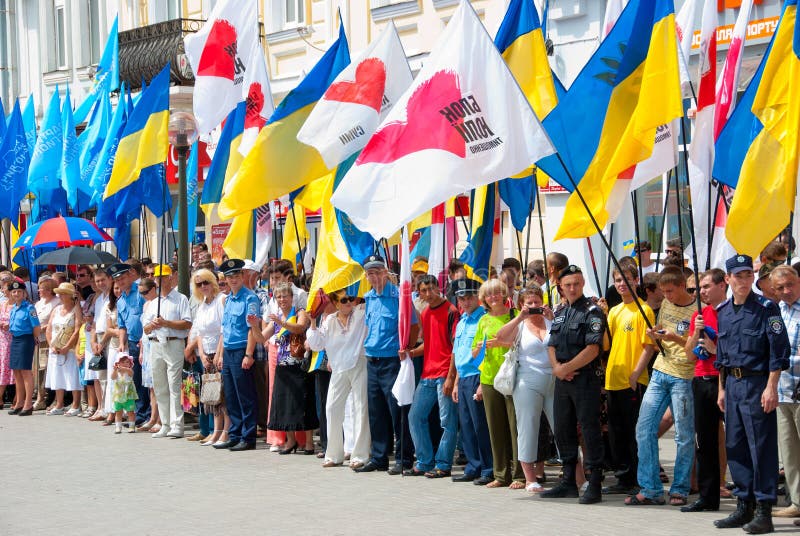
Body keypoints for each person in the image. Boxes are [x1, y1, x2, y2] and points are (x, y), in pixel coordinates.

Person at [714, 254, 790, 533]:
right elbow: (722, 356)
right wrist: (722, 389)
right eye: (738, 276)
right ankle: (743, 506)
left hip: (758, 384)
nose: (743, 280)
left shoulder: (767, 308)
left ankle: (764, 509)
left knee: (762, 448)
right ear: (728, 279)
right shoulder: (723, 311)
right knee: (736, 446)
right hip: (732, 386)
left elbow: (779, 351)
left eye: (748, 275)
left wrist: (772, 387)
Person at [626, 266, 696, 507]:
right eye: (664, 292)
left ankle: (680, 488)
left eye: (670, 291)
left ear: (682, 286)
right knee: (643, 429)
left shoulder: (698, 310)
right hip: (660, 371)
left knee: (684, 436)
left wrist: (674, 337)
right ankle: (651, 488)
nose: (666, 296)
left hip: (684, 375)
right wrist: (655, 334)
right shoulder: (665, 305)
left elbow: (697, 349)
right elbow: (661, 334)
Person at [541, 265, 605, 504]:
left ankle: (595, 483)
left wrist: (564, 369)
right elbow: (551, 343)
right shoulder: (560, 311)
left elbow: (593, 348)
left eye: (576, 284)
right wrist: (558, 368)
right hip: (562, 380)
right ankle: (568, 482)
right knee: (563, 429)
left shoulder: (593, 311)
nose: (572, 288)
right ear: (561, 287)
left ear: (583, 283)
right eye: (568, 285)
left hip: (584, 378)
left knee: (589, 431)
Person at [355, 254, 418, 474]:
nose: (373, 276)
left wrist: (407, 348)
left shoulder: (400, 296)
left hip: (393, 360)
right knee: (376, 411)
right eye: (369, 273)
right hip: (373, 359)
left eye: (376, 271)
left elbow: (414, 324)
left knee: (398, 409)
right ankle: (380, 457)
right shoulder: (369, 297)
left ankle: (403, 457)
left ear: (385, 272)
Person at [495, 284, 555, 493]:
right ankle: (530, 478)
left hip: (554, 378)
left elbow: (564, 338)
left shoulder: (550, 319)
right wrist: (520, 317)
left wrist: (553, 316)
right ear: (521, 304)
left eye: (536, 302)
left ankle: (576, 474)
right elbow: (500, 337)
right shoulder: (520, 324)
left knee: (562, 426)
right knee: (527, 426)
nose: (533, 306)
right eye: (528, 303)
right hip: (527, 380)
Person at [603, 264, 655, 496]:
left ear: (636, 281)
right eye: (617, 280)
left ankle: (636, 477)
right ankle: (623, 477)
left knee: (634, 431)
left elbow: (649, 347)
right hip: (613, 378)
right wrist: (601, 316)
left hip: (633, 380)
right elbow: (607, 344)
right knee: (616, 432)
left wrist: (636, 373)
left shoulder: (644, 310)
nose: (622, 283)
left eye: (626, 279)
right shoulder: (614, 311)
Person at [681, 268, 728, 513]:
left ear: (723, 285)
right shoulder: (699, 314)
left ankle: (747, 498)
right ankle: (707, 498)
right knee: (705, 442)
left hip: (727, 381)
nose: (702, 292)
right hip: (701, 379)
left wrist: (714, 349)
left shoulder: (730, 312)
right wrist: (696, 332)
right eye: (700, 288)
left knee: (736, 441)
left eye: (707, 286)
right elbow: (689, 354)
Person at [307, 289, 371, 468]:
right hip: (338, 368)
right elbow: (316, 344)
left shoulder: (360, 314)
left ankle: (360, 455)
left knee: (360, 409)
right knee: (332, 409)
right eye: (344, 300)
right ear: (335, 302)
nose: (349, 302)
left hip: (359, 364)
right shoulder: (329, 320)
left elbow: (367, 298)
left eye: (351, 298)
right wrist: (312, 320)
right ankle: (334, 455)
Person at [472, 278, 524, 489]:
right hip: (489, 377)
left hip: (512, 376)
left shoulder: (514, 316)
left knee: (515, 427)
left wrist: (502, 343)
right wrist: (477, 350)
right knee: (495, 428)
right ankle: (501, 474)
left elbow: (523, 344)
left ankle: (520, 474)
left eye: (497, 293)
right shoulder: (483, 320)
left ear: (504, 294)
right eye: (489, 294)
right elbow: (475, 356)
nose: (493, 297)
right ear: (484, 298)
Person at [406, 275, 459, 478]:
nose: (428, 294)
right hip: (428, 374)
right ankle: (425, 461)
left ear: (438, 287)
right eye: (423, 290)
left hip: (444, 373)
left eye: (431, 289)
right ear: (419, 292)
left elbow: (455, 347)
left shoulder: (451, 311)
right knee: (415, 416)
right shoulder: (426, 313)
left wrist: (450, 377)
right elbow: (429, 343)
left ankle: (444, 464)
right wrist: (411, 352)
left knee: (447, 421)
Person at [256, 282, 317, 454]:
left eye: (285, 296)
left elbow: (299, 328)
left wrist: (282, 323)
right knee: (285, 404)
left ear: (292, 297)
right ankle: (290, 441)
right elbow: (261, 338)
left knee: (304, 403)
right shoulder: (276, 318)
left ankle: (309, 442)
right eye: (279, 296)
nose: (282, 299)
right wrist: (254, 325)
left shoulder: (299, 312)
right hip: (283, 366)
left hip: (299, 365)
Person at [448, 278, 493, 484]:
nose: (465, 302)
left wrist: (483, 382)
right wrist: (456, 381)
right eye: (461, 298)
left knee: (480, 425)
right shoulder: (462, 321)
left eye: (469, 297)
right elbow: (458, 354)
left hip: (478, 375)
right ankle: (473, 466)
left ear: (478, 297)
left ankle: (488, 468)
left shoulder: (484, 319)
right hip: (464, 376)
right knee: (466, 425)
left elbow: (486, 354)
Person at [214, 259, 261, 451]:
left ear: (243, 276)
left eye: (236, 276)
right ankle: (235, 433)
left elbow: (252, 328)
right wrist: (220, 354)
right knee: (231, 396)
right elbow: (225, 329)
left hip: (242, 349)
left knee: (245, 395)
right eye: (229, 277)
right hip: (229, 350)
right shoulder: (228, 299)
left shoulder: (250, 299)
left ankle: (248, 437)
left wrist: (249, 354)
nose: (232, 280)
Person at [143, 265, 192, 439]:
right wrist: (152, 325)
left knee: (174, 384)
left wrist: (166, 323)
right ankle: (164, 423)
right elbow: (146, 328)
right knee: (159, 385)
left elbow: (187, 323)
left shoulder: (181, 299)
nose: (161, 280)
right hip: (156, 344)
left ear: (171, 278)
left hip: (174, 343)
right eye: (158, 278)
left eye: (164, 277)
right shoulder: (152, 303)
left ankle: (177, 424)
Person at [187, 269, 230, 447]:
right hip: (206, 353)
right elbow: (199, 332)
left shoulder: (221, 300)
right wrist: (202, 355)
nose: (203, 286)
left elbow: (223, 330)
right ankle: (216, 432)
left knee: (224, 395)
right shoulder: (203, 303)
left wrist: (219, 354)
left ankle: (225, 432)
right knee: (212, 396)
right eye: (199, 284)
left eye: (206, 282)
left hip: (220, 352)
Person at [770, 266, 800, 520]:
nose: (786, 291)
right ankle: (797, 503)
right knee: (789, 453)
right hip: (783, 391)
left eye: (790, 285)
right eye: (779, 288)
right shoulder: (776, 311)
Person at [109, 263, 150, 425]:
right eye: (117, 280)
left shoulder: (139, 292)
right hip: (132, 342)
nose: (120, 281)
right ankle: (139, 414)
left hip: (146, 341)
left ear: (130, 275)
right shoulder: (120, 301)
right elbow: (122, 326)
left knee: (147, 379)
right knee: (136, 379)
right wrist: (121, 343)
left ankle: (148, 414)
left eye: (123, 277)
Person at [44, 283, 84, 416]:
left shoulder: (76, 309)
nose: (59, 296)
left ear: (70, 295)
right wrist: (51, 344)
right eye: (59, 293)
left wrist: (67, 347)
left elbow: (78, 328)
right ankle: (59, 404)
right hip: (55, 346)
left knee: (72, 375)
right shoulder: (56, 309)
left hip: (70, 348)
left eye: (63, 293)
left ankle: (76, 404)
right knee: (57, 374)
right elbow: (49, 329)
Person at [241, 260, 270, 439]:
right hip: (241, 348)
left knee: (260, 388)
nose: (239, 276)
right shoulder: (238, 295)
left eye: (243, 273)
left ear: (252, 275)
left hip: (258, 350)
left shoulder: (261, 295)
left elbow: (261, 320)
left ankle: (262, 423)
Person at [7, 281, 41, 416]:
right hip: (15, 340)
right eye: (14, 292)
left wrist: (34, 338)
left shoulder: (29, 308)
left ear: (24, 293)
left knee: (26, 372)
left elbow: (36, 327)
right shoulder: (14, 308)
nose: (16, 294)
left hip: (26, 339)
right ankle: (19, 402)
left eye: (19, 291)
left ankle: (28, 404)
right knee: (16, 372)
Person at [33, 277, 58, 411]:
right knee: (38, 369)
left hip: (49, 340)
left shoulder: (56, 302)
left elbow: (57, 319)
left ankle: (46, 397)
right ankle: (39, 395)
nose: (39, 291)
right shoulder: (39, 303)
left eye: (41, 288)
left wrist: (45, 327)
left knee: (46, 368)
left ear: (49, 290)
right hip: (37, 339)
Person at [110, 354, 138, 434]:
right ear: (118, 363)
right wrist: (115, 370)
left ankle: (132, 426)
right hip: (118, 395)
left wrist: (122, 368)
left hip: (128, 395)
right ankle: (118, 427)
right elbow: (113, 377)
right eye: (124, 362)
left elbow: (130, 372)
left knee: (130, 412)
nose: (126, 364)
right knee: (118, 412)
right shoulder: (117, 372)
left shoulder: (129, 371)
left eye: (128, 362)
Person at [0, 282, 15, 409]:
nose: (3, 291)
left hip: (13, 339)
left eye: (5, 288)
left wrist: (9, 325)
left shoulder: (17, 305)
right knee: (2, 367)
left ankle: (17, 398)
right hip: (2, 339)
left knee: (13, 369)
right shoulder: (2, 305)